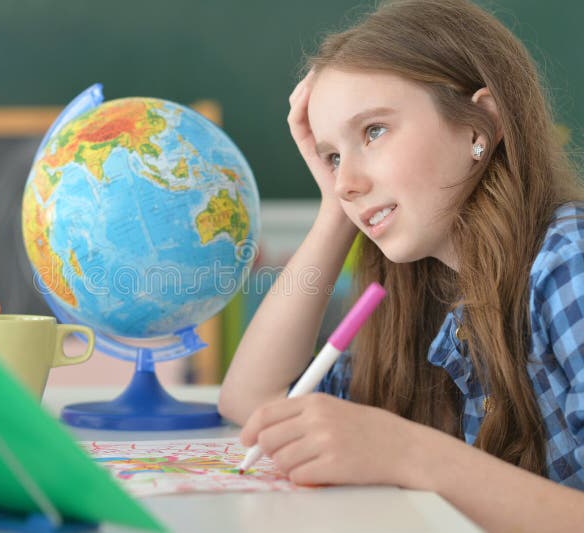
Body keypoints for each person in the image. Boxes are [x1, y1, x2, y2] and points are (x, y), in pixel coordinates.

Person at [217, 0, 584, 530]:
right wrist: (334, 211)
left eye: (373, 131)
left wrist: (411, 453)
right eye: (333, 157)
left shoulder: (568, 261)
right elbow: (252, 400)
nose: (347, 182)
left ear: (480, 125)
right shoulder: (429, 293)